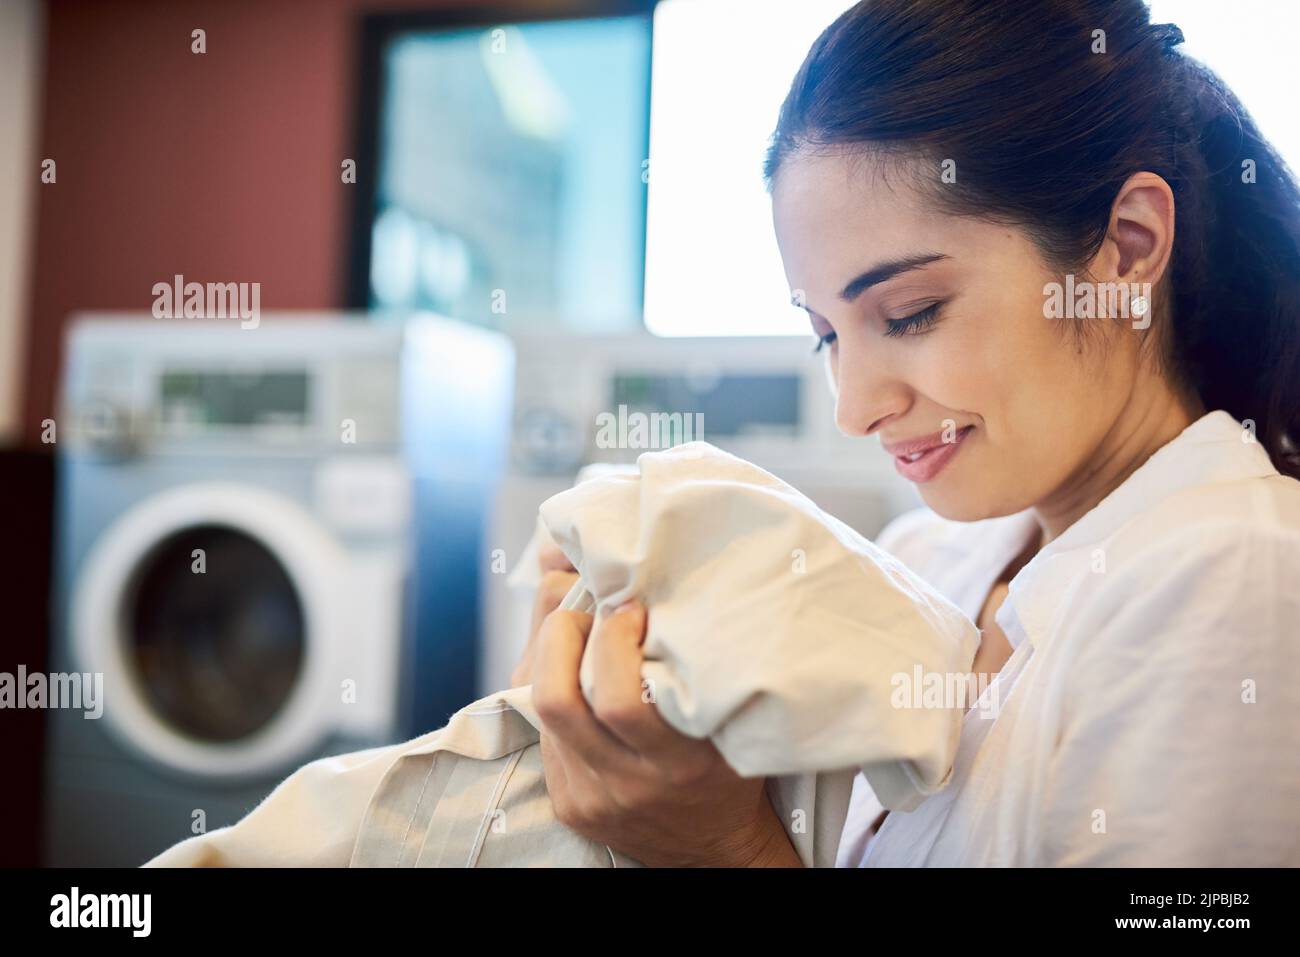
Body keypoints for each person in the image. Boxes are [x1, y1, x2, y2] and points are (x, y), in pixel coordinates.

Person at [518, 0, 1300, 866]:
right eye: (826, 334)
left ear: (1126, 246)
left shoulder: (1239, 572)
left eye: (911, 312)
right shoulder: (925, 559)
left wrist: (725, 850)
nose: (856, 409)